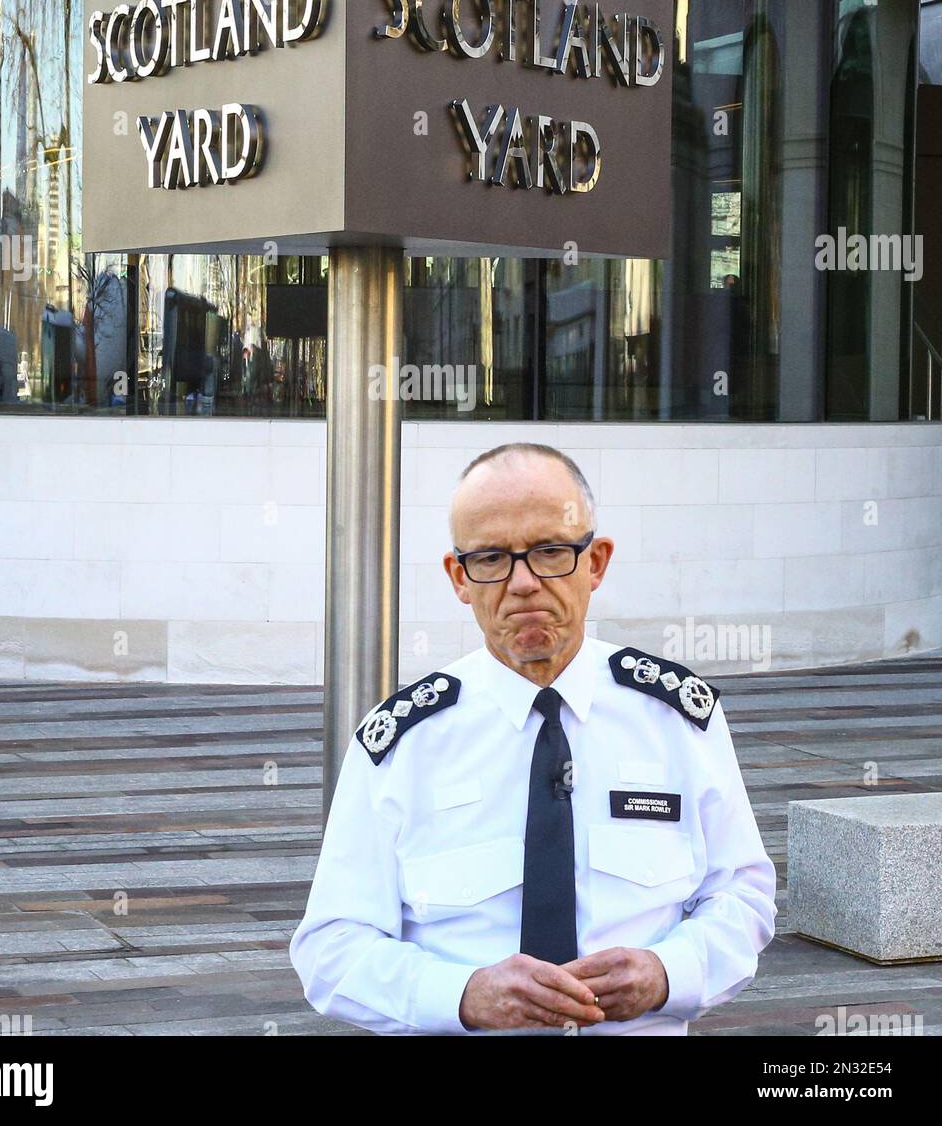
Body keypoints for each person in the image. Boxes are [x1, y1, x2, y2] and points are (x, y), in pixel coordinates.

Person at [289, 442, 776, 1035]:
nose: (522, 583)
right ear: (458, 577)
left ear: (596, 562)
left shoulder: (676, 719)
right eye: (491, 558)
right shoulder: (403, 743)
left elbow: (742, 895)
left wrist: (666, 972)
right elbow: (331, 948)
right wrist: (462, 995)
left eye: (550, 551)